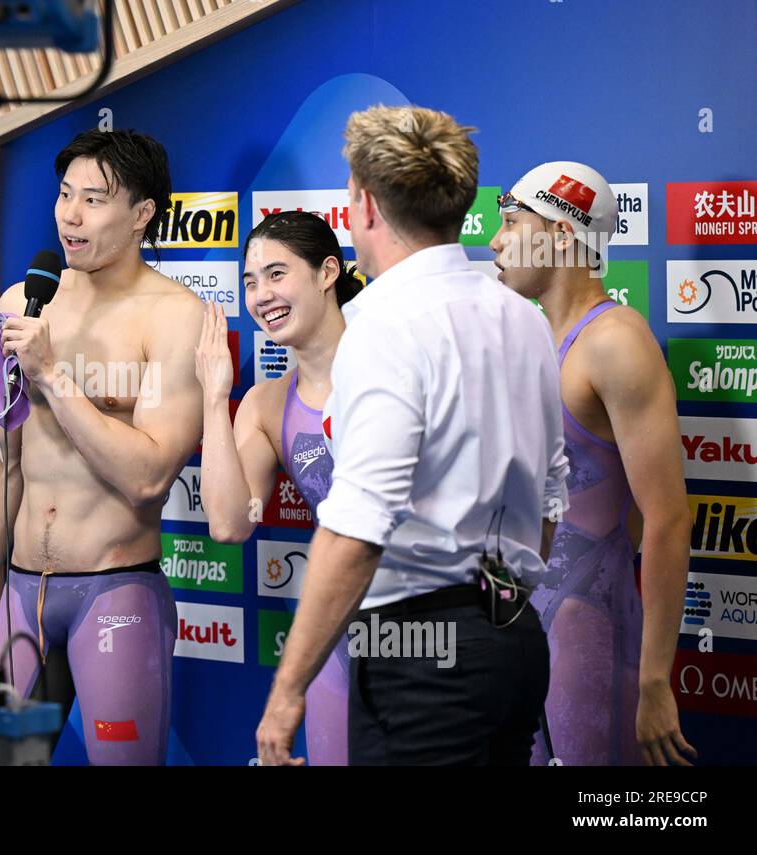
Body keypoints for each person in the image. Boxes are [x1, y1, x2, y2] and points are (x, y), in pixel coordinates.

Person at [257, 105, 567, 765]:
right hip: (514, 640)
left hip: (421, 656)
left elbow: (357, 526)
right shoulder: (524, 318)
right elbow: (549, 498)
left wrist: (287, 690)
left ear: (366, 208)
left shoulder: (379, 324)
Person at [0, 129, 204, 765]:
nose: (70, 214)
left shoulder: (176, 316)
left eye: (94, 199)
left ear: (142, 213)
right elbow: (1, 462)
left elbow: (150, 475)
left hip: (114, 590)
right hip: (19, 593)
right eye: (64, 194)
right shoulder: (23, 303)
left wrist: (51, 377)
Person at [490, 161, 694, 766]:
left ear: (560, 233)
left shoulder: (614, 343)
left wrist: (655, 679)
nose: (495, 241)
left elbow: (666, 520)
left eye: (509, 222)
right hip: (525, 627)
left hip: (587, 627)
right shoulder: (533, 340)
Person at [194, 210, 360, 765]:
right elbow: (228, 523)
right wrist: (216, 400)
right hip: (336, 637)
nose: (260, 295)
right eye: (249, 281)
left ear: (327, 272)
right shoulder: (267, 404)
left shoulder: (396, 365)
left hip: (435, 628)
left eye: (276, 274)